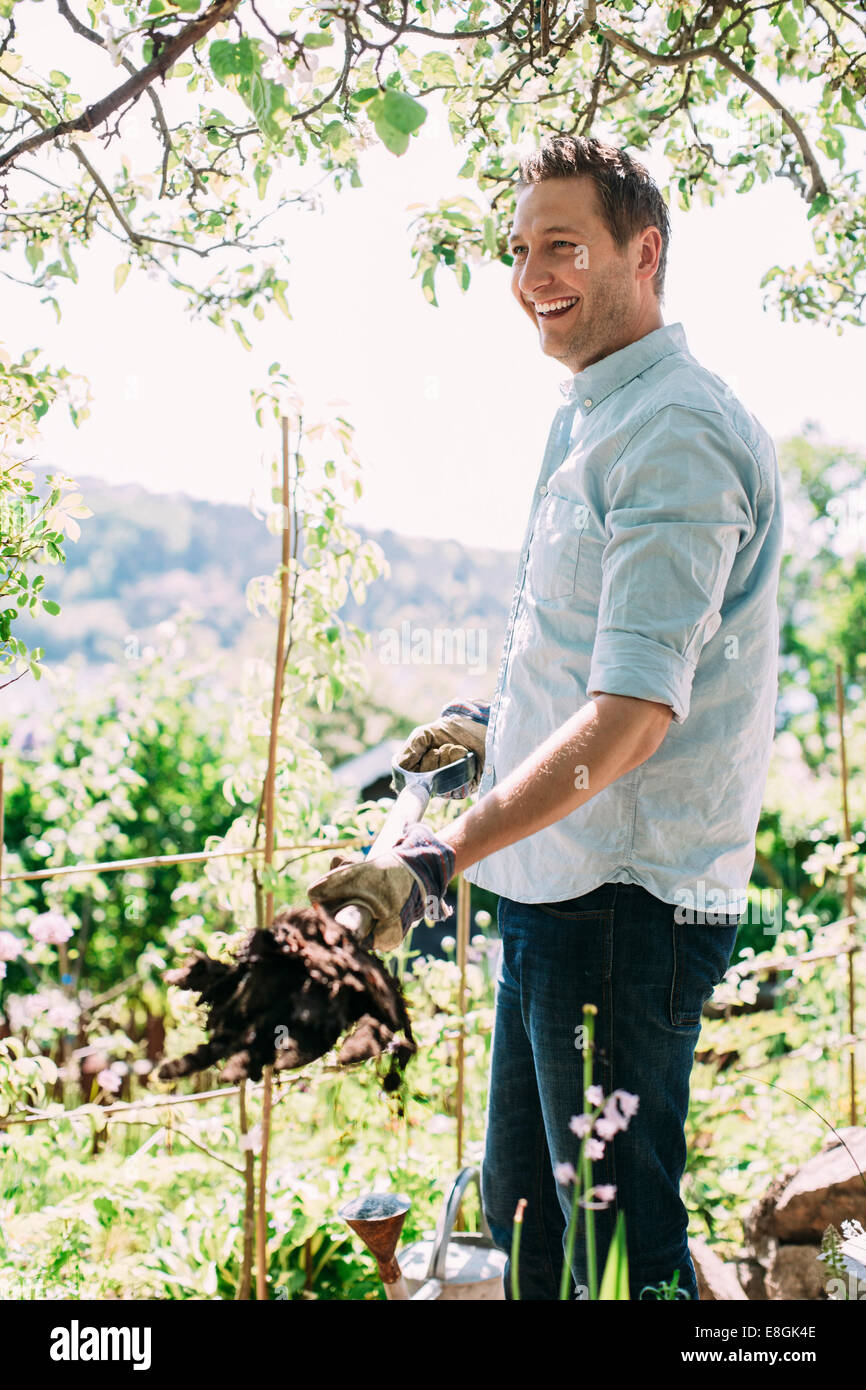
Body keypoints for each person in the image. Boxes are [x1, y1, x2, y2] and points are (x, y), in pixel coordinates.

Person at [309, 135, 784, 1300]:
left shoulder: (674, 430)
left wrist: (428, 857)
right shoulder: (589, 413)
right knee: (525, 1222)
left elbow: (629, 718)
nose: (531, 274)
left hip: (624, 910)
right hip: (547, 891)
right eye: (519, 250)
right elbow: (588, 649)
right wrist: (490, 725)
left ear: (644, 251)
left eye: (561, 246)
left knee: (621, 1251)